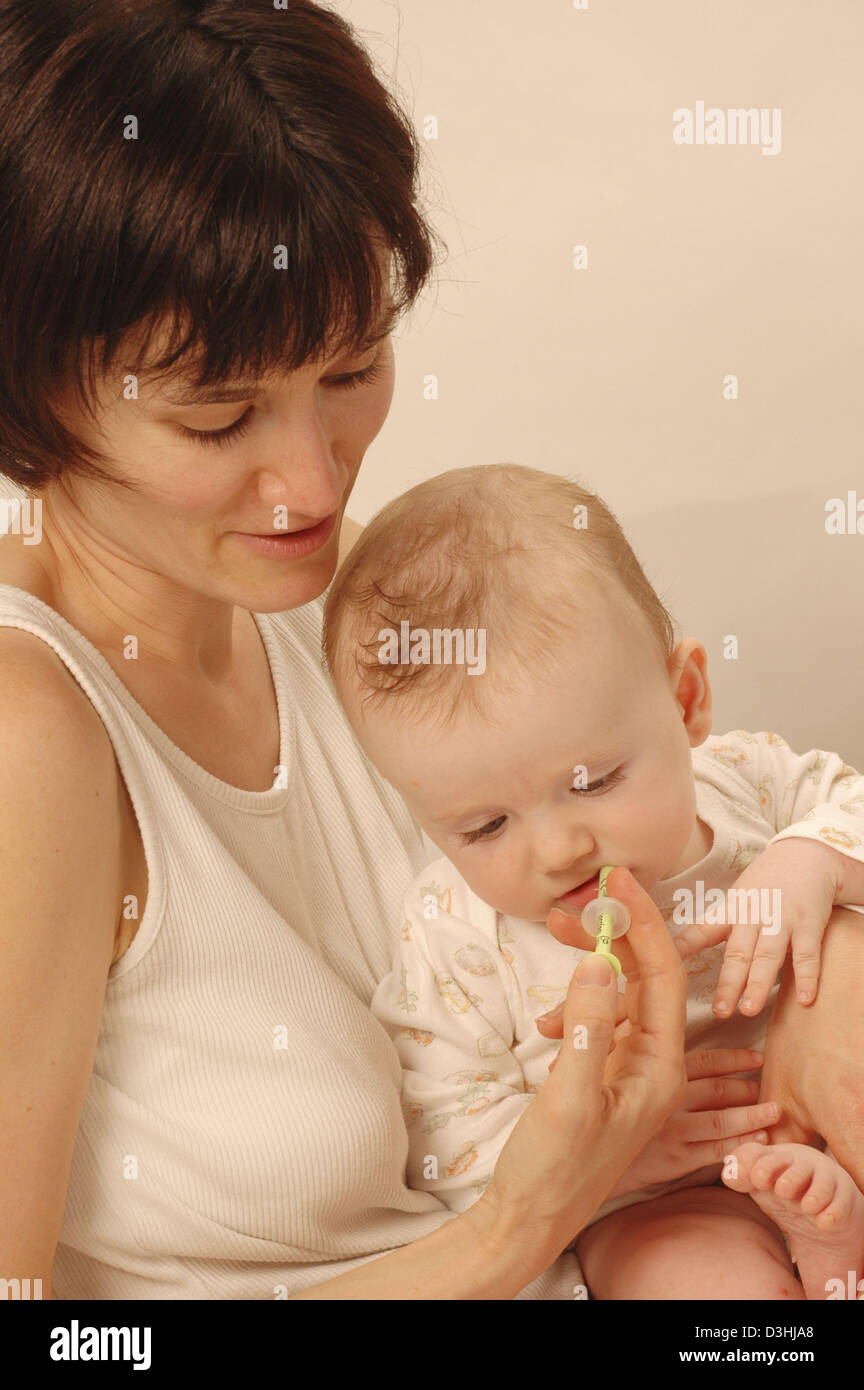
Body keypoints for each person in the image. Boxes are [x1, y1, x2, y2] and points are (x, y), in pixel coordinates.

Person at [0, 0, 695, 1301]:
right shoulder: (29, 733)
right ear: (30, 393)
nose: (310, 480)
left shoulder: (350, 595)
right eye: (219, 422)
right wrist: (516, 1225)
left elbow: (698, 820)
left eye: (354, 367)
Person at [322, 463, 864, 1299]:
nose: (557, 849)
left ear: (685, 701)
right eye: (484, 827)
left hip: (827, 1115)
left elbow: (847, 802)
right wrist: (611, 1160)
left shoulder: (749, 781)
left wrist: (817, 855)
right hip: (660, 1205)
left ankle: (838, 1245)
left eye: (591, 783)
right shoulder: (453, 930)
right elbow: (445, 1138)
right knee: (692, 1287)